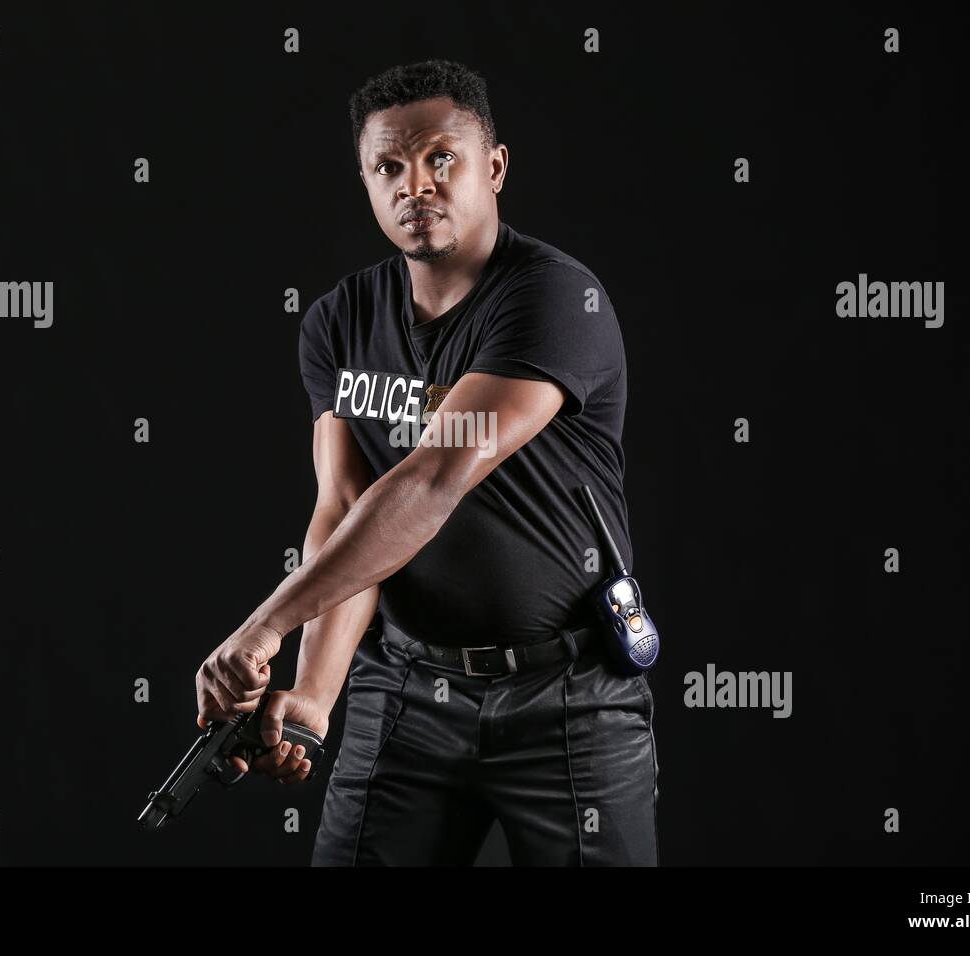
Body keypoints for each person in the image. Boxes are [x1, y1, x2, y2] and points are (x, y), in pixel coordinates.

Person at [196, 59, 658, 866]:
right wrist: (310, 695)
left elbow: (432, 480)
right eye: (389, 167)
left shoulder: (553, 300)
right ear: (367, 183)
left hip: (567, 696)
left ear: (495, 166)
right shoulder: (339, 322)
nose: (417, 184)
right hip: (407, 690)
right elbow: (346, 511)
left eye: (441, 157)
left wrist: (265, 624)